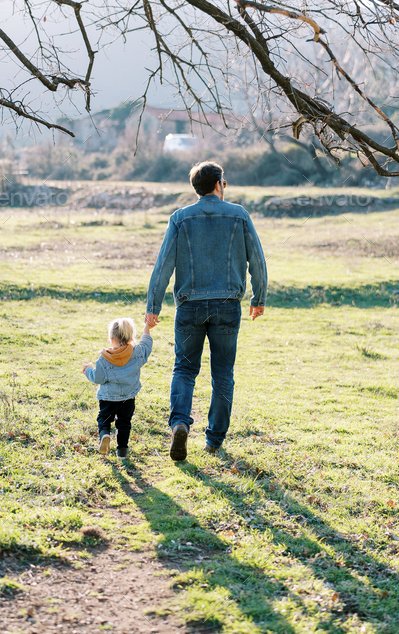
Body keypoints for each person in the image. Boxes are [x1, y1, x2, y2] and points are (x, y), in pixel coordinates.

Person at [145, 161, 267, 461]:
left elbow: (163, 266)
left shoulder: (180, 218)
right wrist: (258, 297)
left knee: (184, 369)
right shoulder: (239, 215)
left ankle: (179, 424)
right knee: (222, 373)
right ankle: (214, 440)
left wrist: (153, 307)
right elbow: (257, 260)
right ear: (219, 184)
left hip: (189, 306)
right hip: (227, 305)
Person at [82, 317, 153, 459]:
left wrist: (88, 370)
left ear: (111, 338)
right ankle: (122, 451)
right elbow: (146, 343)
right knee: (124, 423)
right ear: (130, 337)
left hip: (108, 398)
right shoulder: (137, 353)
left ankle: (105, 434)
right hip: (128, 398)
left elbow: (98, 378)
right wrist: (147, 327)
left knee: (104, 418)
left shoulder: (104, 359)